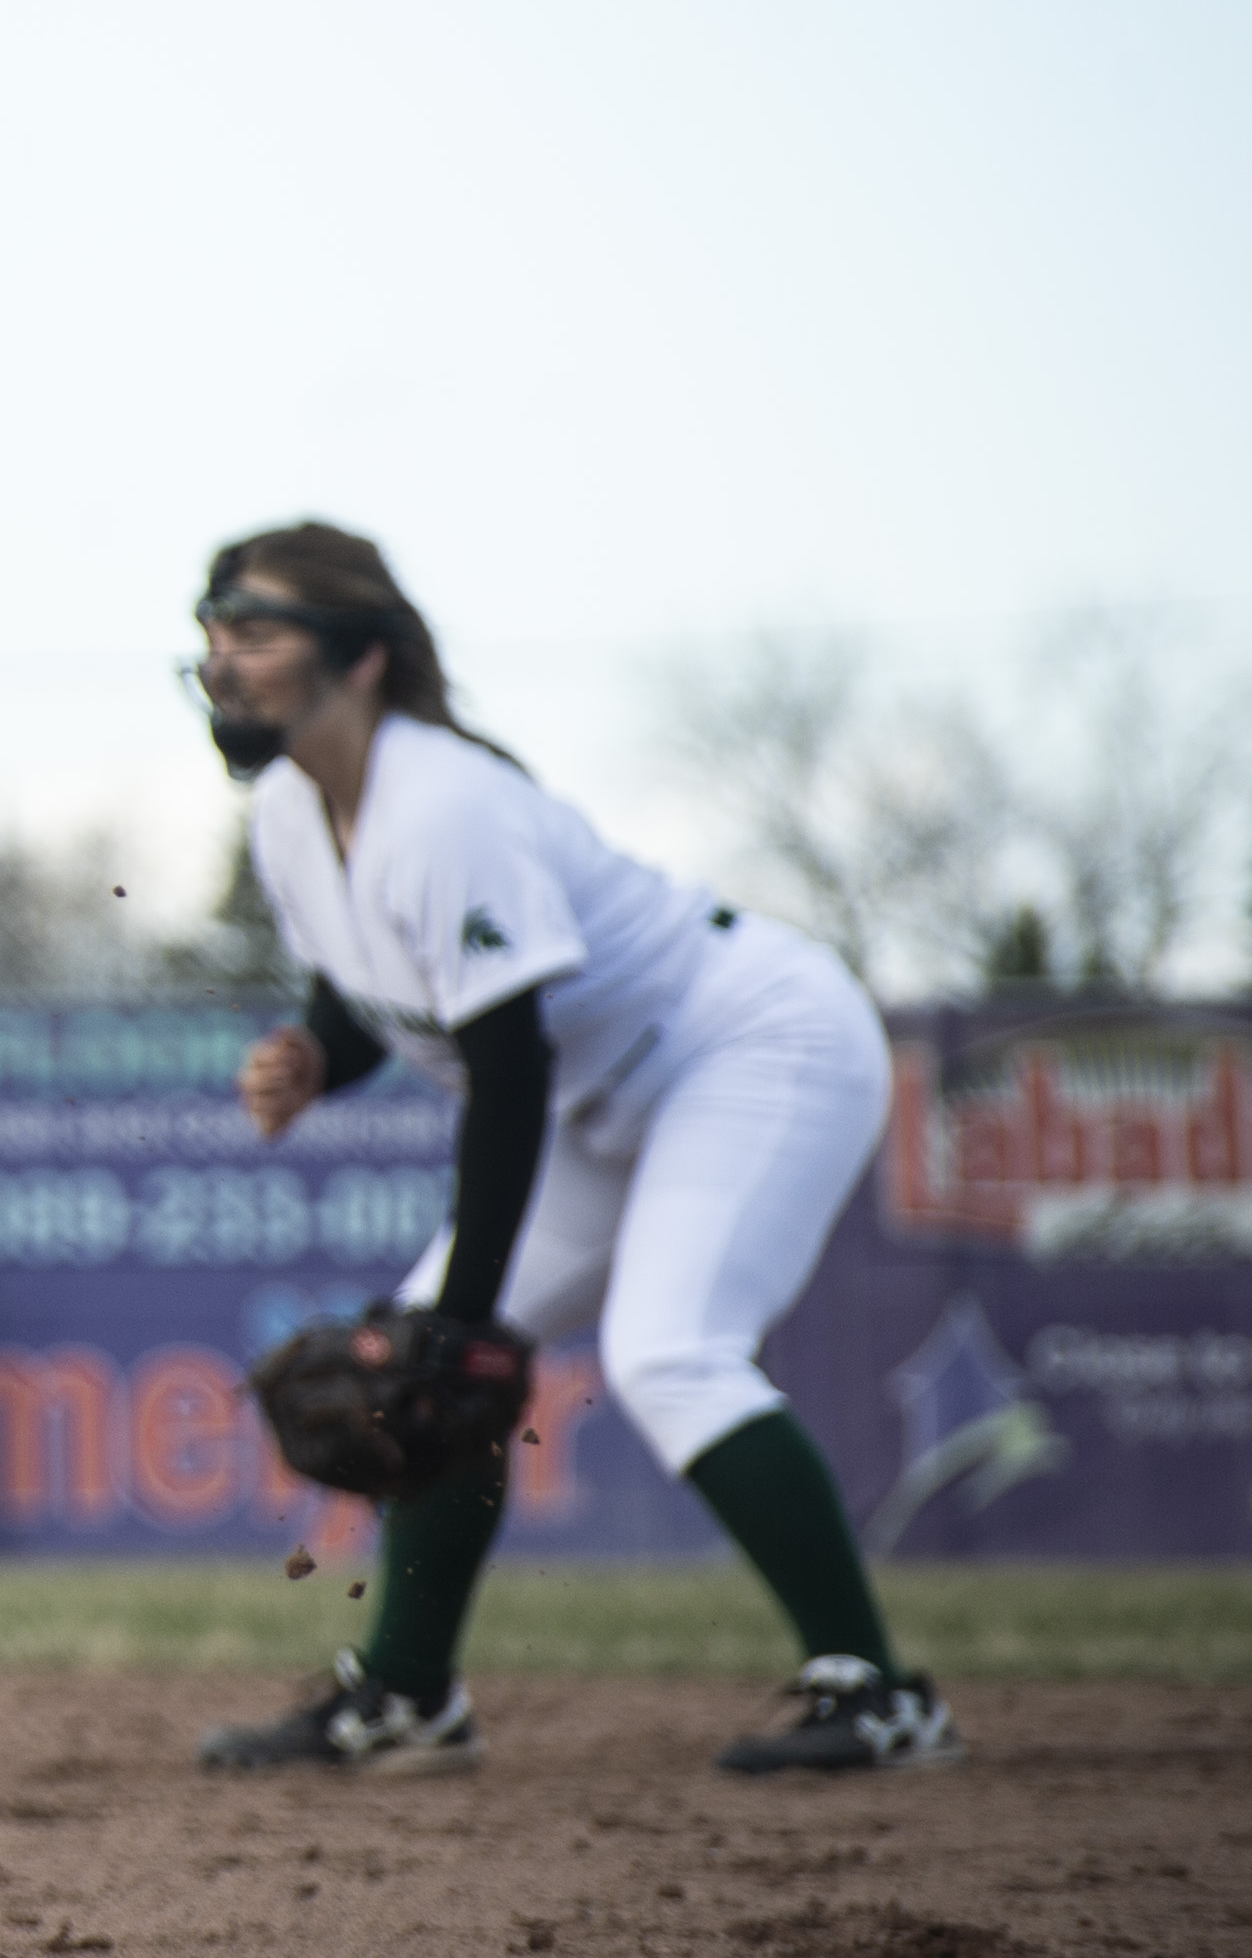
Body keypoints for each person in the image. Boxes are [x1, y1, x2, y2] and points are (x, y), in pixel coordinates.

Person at [182, 521, 957, 1778]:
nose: (225, 656)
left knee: (661, 1351)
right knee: (430, 1343)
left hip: (751, 1044)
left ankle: (880, 1694)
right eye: (214, 632)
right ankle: (408, 1697)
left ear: (362, 657)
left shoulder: (444, 805)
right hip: (606, 1094)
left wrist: (472, 1327)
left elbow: (507, 1066)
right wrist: (319, 1058)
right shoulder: (288, 812)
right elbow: (375, 993)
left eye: (258, 629)